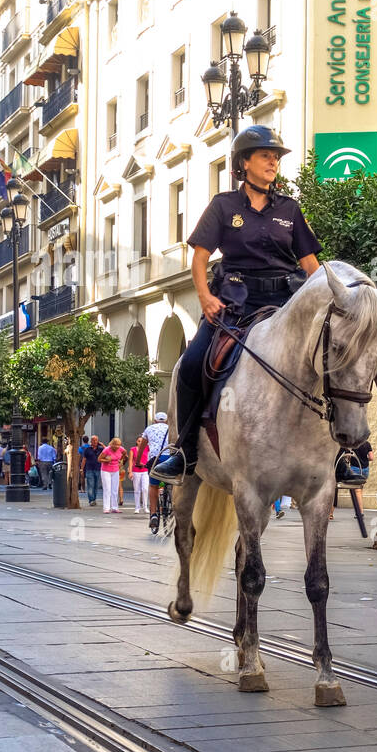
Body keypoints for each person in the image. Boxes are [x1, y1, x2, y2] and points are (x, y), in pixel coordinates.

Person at [150, 125, 323, 485]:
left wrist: (327, 301)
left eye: (276, 157)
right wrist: (205, 297)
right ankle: (183, 451)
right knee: (191, 364)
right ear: (244, 162)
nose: (273, 161)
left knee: (330, 356)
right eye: (265, 155)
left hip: (283, 304)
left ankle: (345, 452)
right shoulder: (223, 206)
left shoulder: (290, 210)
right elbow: (199, 259)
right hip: (233, 304)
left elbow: (311, 267)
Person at [142, 412, 172, 529]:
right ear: (166, 421)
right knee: (172, 483)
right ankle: (173, 506)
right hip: (170, 458)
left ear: (154, 421)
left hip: (156, 459)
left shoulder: (149, 429)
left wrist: (139, 461)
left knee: (153, 486)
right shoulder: (171, 428)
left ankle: (153, 514)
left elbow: (142, 447)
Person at [98, 437, 126, 514]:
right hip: (106, 471)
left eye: (119, 445)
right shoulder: (107, 449)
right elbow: (99, 459)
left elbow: (125, 454)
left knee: (115, 489)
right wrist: (107, 460)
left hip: (115, 470)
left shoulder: (121, 449)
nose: (117, 446)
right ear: (112, 444)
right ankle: (106, 508)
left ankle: (114, 507)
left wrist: (120, 462)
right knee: (107, 489)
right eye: (116, 445)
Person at [129, 436, 152, 514]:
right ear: (136, 442)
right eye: (138, 441)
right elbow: (131, 460)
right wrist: (130, 471)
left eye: (142, 441)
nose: (140, 442)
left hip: (145, 470)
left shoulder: (147, 448)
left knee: (145, 489)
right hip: (136, 471)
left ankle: (145, 507)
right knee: (136, 490)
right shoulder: (133, 449)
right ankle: (137, 507)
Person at [81, 435, 103, 506]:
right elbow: (84, 459)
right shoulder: (87, 449)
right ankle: (91, 500)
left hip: (98, 469)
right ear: (91, 441)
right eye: (93, 440)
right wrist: (82, 469)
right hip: (89, 469)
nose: (95, 441)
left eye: (96, 440)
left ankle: (94, 499)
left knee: (96, 485)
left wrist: (102, 444)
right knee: (90, 485)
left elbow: (108, 451)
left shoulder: (100, 449)